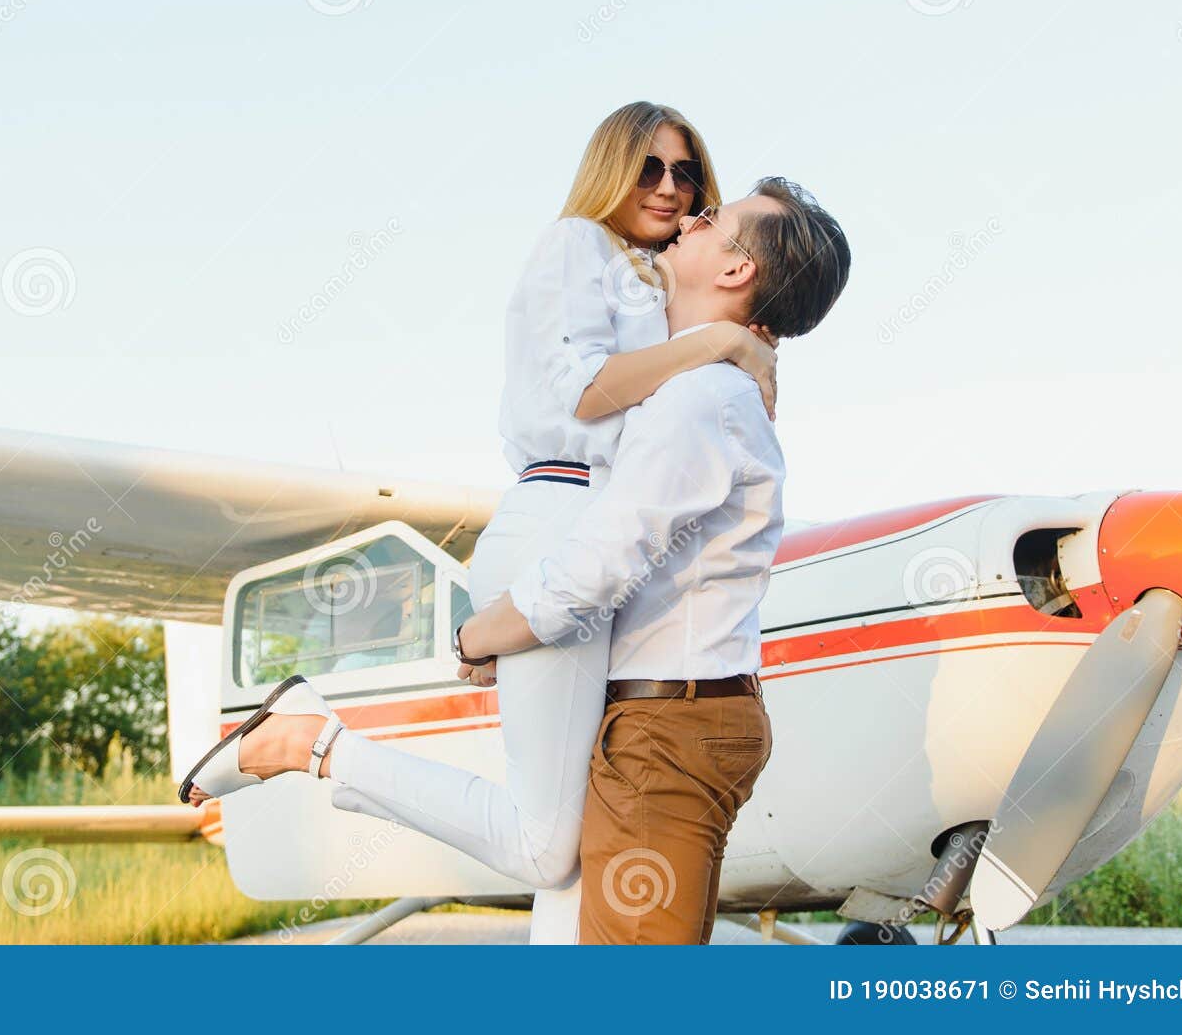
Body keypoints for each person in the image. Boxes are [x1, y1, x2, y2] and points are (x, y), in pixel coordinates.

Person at [177, 102, 778, 944]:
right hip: (561, 518)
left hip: (594, 535)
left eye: (687, 172)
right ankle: (308, 743)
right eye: (648, 167)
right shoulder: (579, 244)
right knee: (544, 845)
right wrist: (721, 345)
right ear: (610, 170)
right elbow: (587, 391)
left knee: (574, 845)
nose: (671, 187)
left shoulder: (661, 278)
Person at [455, 179, 851, 943]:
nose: (686, 222)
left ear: (736, 272)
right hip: (676, 714)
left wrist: (480, 637)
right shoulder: (709, 388)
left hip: (669, 725)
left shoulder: (698, 399)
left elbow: (599, 562)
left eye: (712, 220)